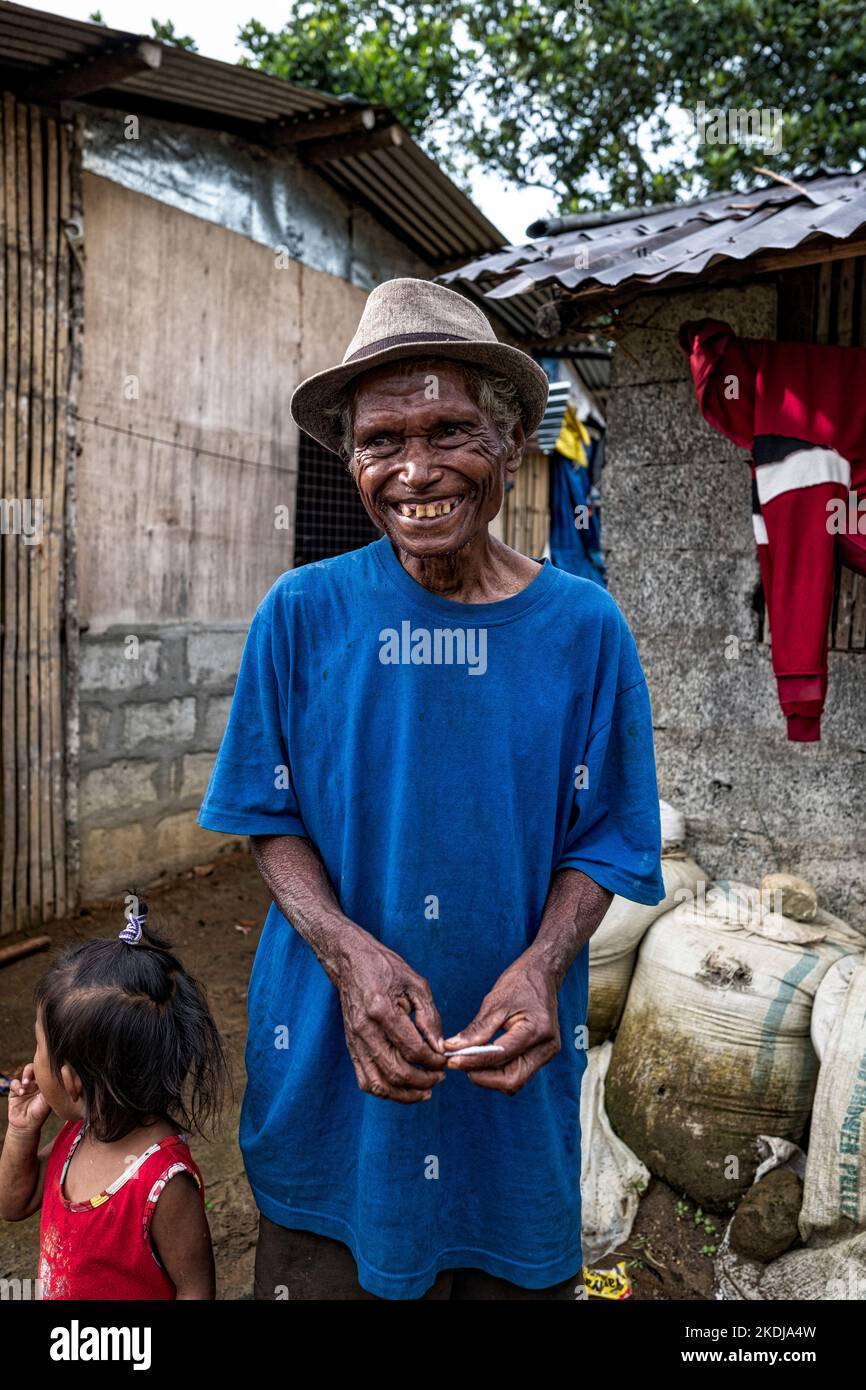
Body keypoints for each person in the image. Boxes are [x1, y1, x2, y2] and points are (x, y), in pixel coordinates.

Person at [198, 277, 664, 1300]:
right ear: (352, 459)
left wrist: (542, 963)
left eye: (449, 428)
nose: (415, 470)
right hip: (331, 1086)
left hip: (504, 1099)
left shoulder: (585, 631)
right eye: (380, 441)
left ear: (508, 445)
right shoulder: (300, 614)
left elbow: (605, 841)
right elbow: (267, 819)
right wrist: (347, 952)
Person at [0, 902, 228, 1300]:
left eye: (38, 1047)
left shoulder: (163, 1183)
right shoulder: (80, 1135)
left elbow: (195, 1290)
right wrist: (21, 1131)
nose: (32, 1061)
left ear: (71, 1081)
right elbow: (12, 1203)